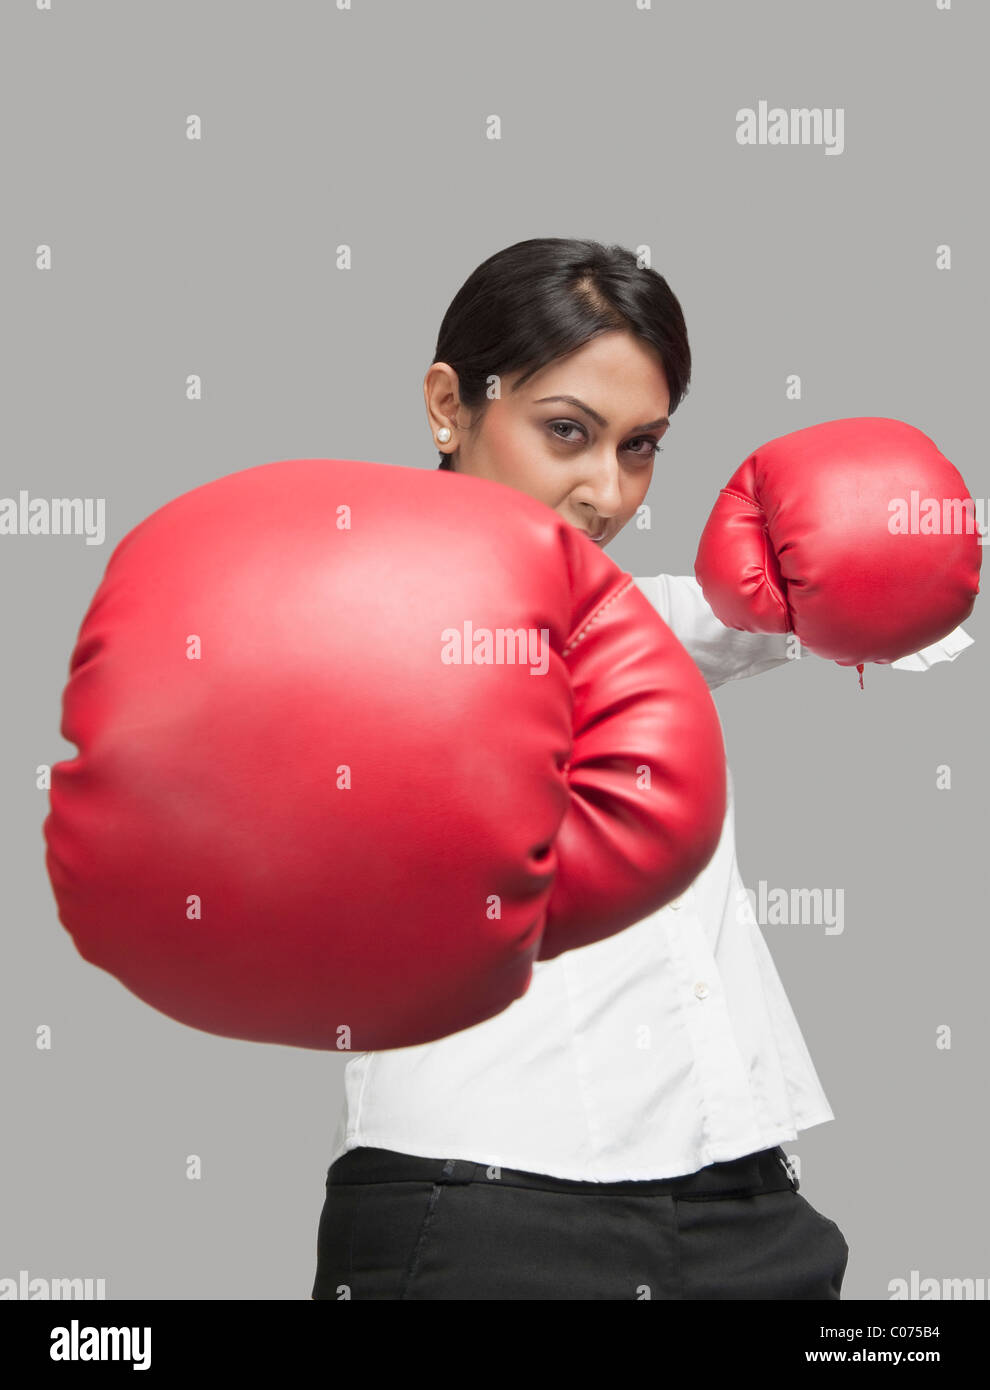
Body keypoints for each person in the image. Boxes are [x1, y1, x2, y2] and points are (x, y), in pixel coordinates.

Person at [310, 237, 972, 1301]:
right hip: (487, 1205)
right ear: (450, 406)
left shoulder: (643, 626)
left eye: (641, 446)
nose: (605, 490)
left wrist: (870, 549)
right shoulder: (338, 624)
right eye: (566, 432)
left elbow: (882, 595)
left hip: (746, 1206)